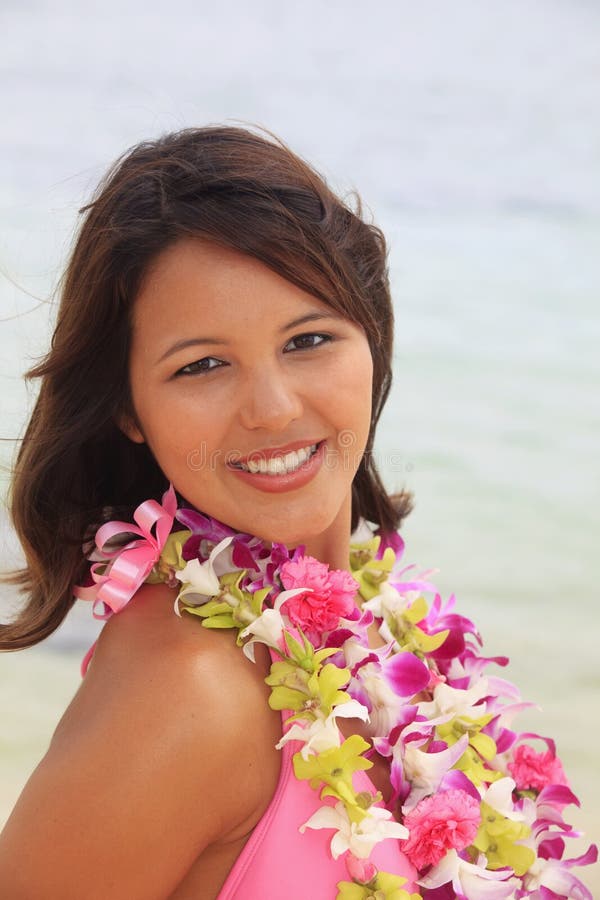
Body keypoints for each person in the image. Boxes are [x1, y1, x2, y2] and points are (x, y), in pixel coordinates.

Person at [0, 126, 595, 900]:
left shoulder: (375, 627)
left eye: (308, 339)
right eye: (202, 365)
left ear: (372, 340)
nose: (274, 410)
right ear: (128, 408)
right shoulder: (187, 696)